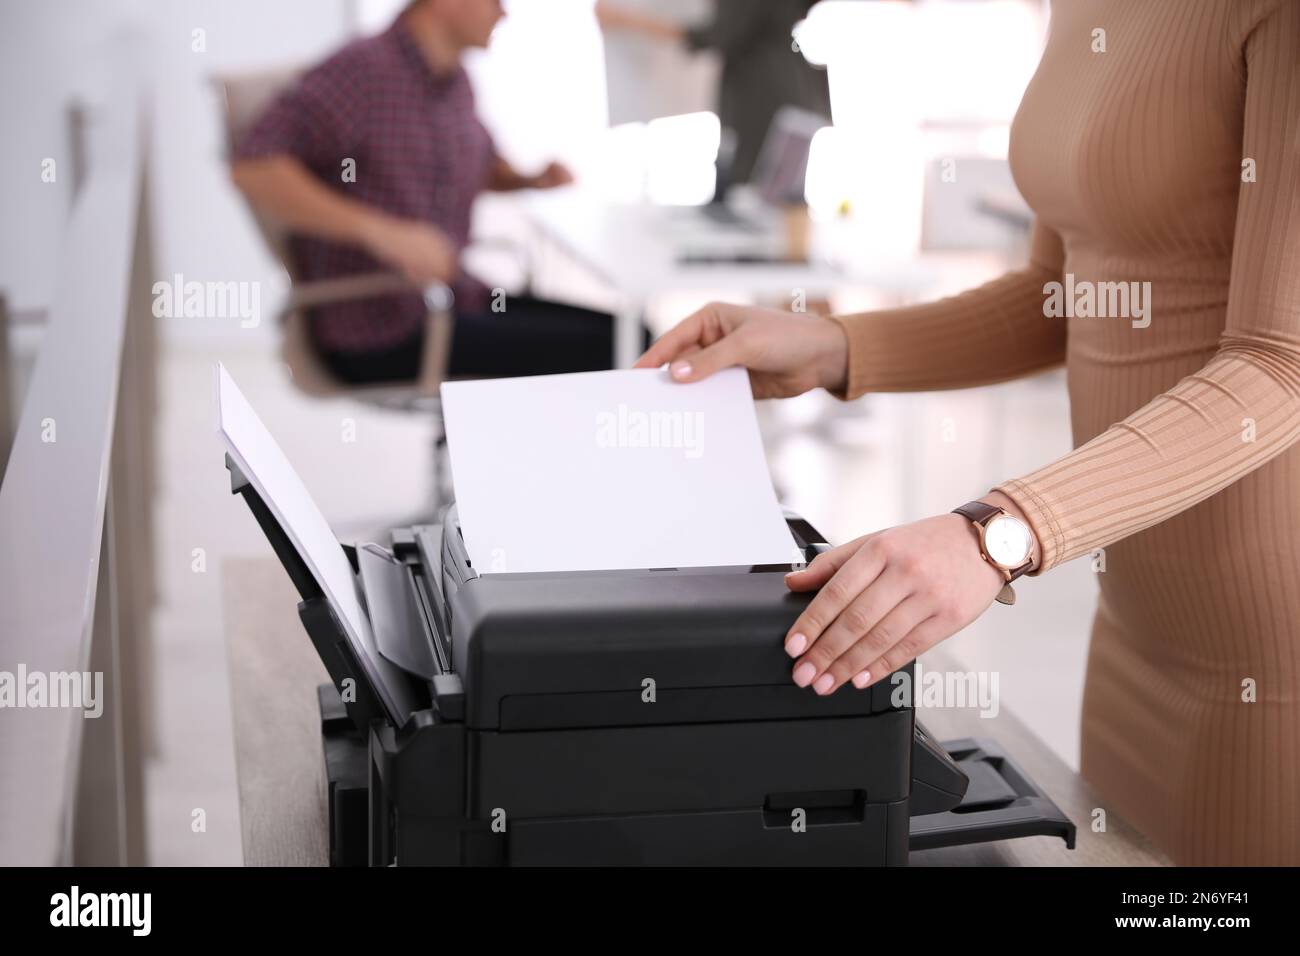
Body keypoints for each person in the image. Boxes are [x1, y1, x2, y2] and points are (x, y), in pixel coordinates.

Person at [638, 0, 1300, 866]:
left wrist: (997, 532)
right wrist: (836, 346)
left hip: (1268, 635)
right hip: (1137, 612)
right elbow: (1055, 297)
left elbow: (1282, 361)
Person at [231, 0, 617, 384]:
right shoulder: (362, 70)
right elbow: (255, 166)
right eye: (494, 1)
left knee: (629, 334)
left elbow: (479, 168)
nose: (503, 14)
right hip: (381, 329)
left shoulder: (455, 81)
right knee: (617, 350)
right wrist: (381, 232)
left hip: (454, 300)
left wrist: (530, 179)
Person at [596, 0, 830, 185]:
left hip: (763, 95)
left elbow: (718, 34)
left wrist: (628, 20)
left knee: (755, 193)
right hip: (787, 88)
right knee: (775, 193)